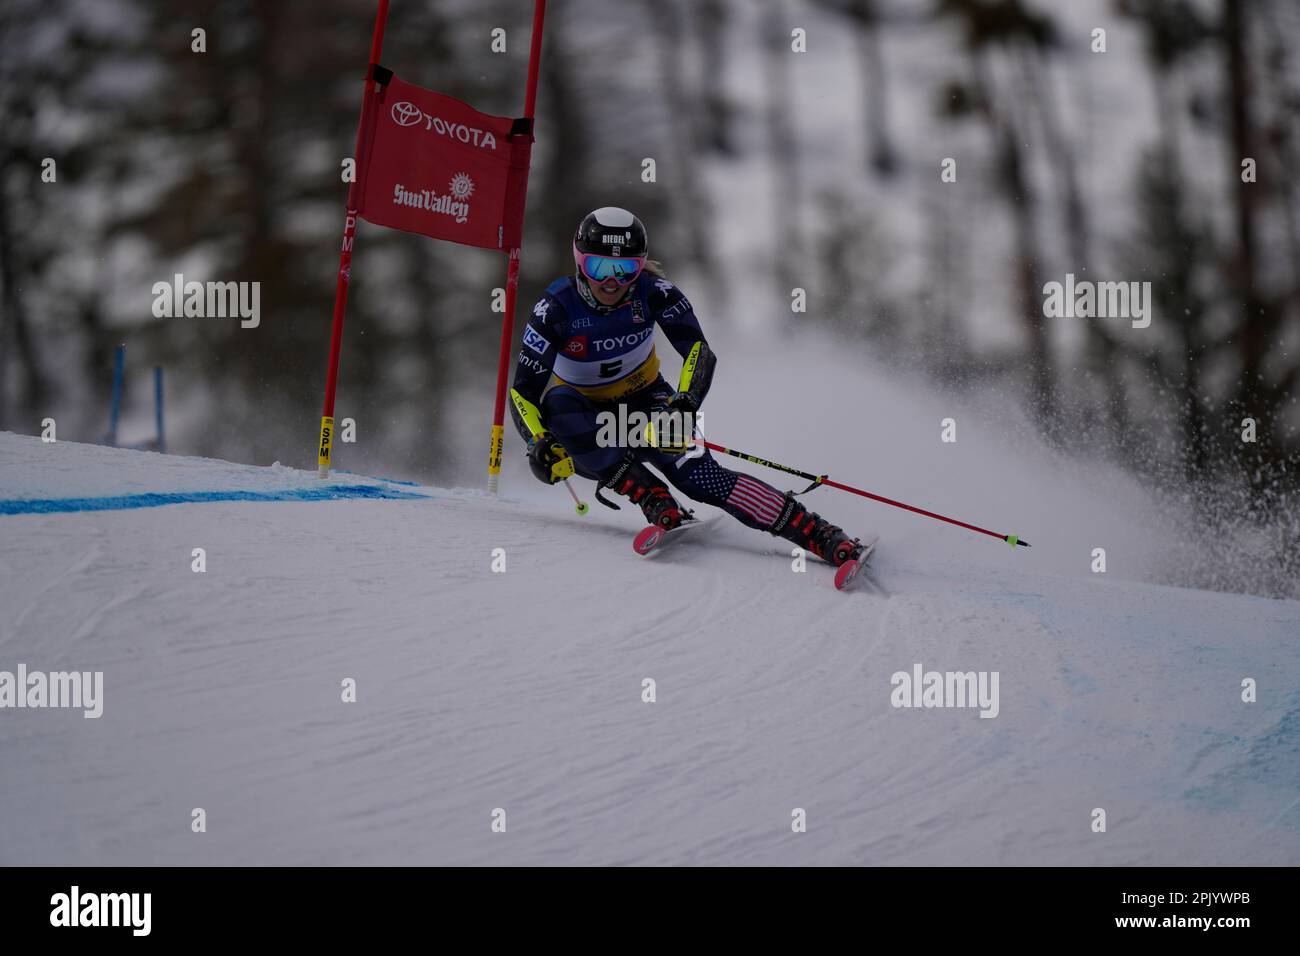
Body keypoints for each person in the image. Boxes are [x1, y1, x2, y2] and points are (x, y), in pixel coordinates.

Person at [509, 206, 867, 567]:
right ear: (580, 262)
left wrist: (684, 403)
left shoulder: (655, 292)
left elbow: (698, 350)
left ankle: (818, 533)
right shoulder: (554, 308)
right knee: (558, 405)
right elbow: (523, 391)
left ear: (641, 265)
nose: (612, 282)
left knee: (700, 478)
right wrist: (537, 442)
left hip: (646, 403)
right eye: (599, 268)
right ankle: (651, 496)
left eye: (626, 269)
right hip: (587, 423)